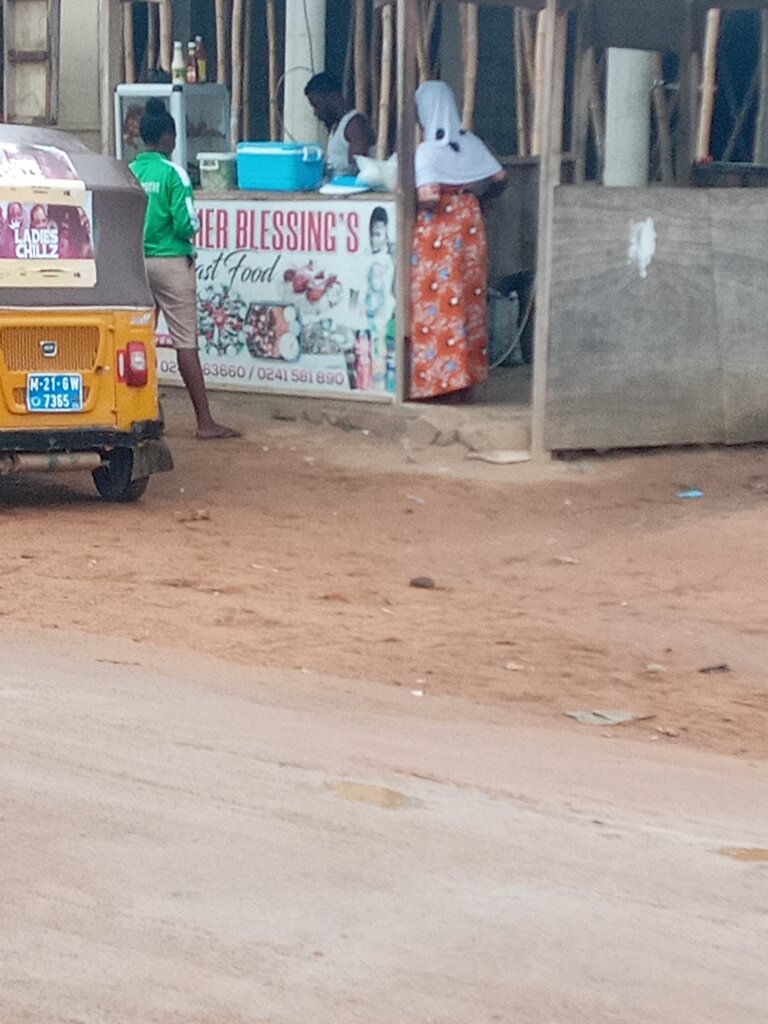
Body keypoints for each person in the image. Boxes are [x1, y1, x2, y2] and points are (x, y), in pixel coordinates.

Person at [129, 98, 239, 439]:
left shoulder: (129, 172)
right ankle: (204, 421)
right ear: (167, 137)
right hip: (172, 262)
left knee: (137, 342)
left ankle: (140, 415)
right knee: (185, 343)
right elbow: (185, 224)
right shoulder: (174, 173)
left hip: (135, 264)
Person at [410, 80, 507, 402]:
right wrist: (480, 200)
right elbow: (499, 178)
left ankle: (439, 383)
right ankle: (466, 380)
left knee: (435, 303)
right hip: (470, 221)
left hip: (439, 229)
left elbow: (428, 196)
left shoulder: (426, 151)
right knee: (468, 300)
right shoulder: (472, 143)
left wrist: (411, 196)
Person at [304, 72, 375, 179]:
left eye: (316, 105)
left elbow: (357, 169)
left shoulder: (355, 125)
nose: (316, 113)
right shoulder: (337, 125)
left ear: (331, 97)